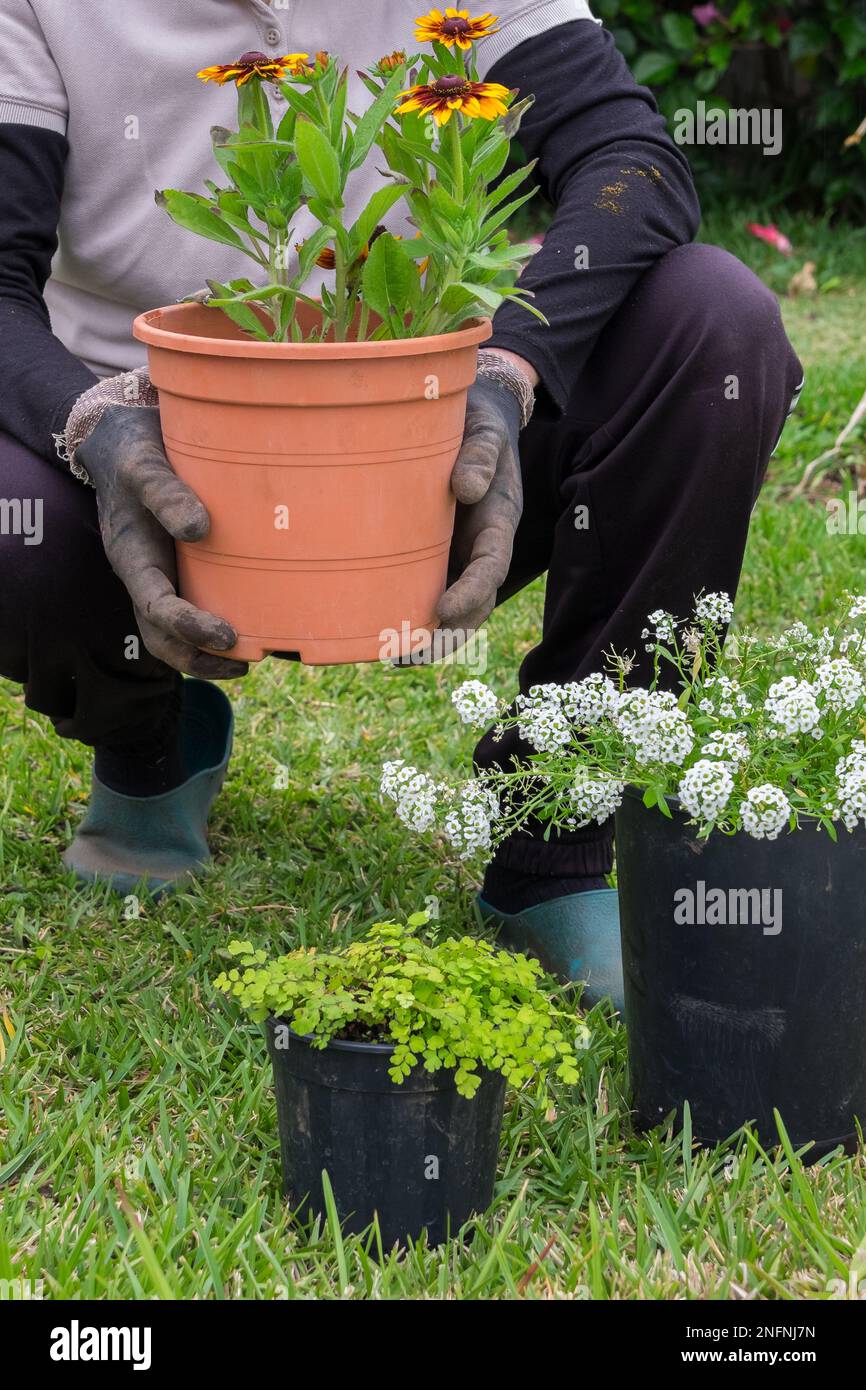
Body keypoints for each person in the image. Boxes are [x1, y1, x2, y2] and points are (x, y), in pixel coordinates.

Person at [0, 2, 802, 1007]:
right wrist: (90, 426)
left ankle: (555, 837)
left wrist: (509, 374)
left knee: (713, 327)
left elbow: (627, 156)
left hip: (432, 454)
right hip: (153, 462)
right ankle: (147, 742)